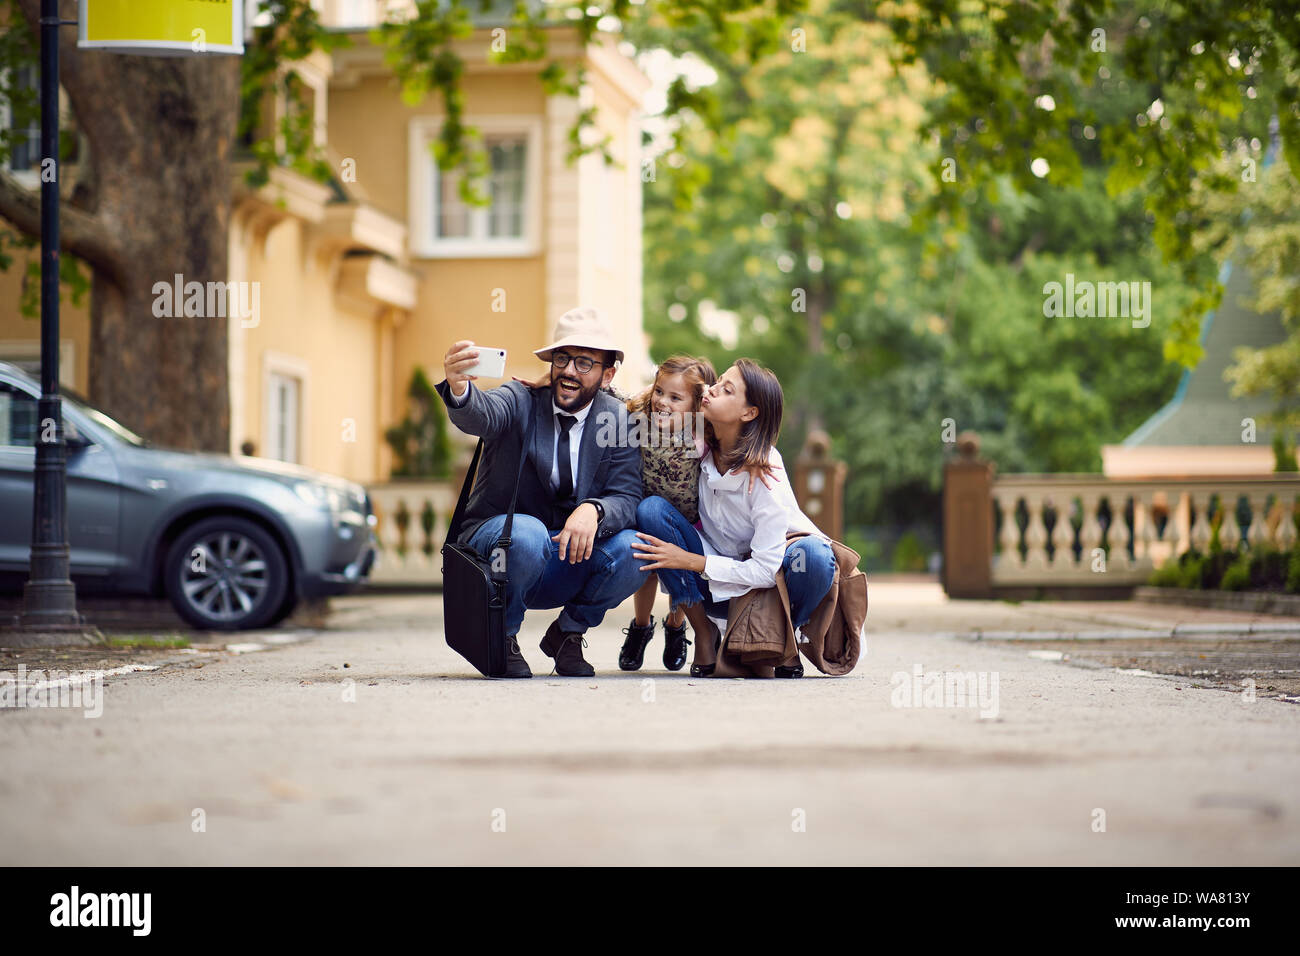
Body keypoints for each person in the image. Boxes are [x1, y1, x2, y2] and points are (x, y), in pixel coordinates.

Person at [435, 307, 644, 678]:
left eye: (584, 363)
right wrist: (460, 388)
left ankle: (568, 634)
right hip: (505, 549)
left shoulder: (619, 419)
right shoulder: (521, 399)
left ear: (607, 374)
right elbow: (482, 413)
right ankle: (503, 634)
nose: (568, 371)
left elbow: (627, 496)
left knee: (636, 549)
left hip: (568, 558)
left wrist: (593, 510)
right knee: (528, 534)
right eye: (561, 358)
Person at [631, 359, 837, 678]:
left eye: (726, 389)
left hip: (770, 588)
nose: (712, 390)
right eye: (717, 383)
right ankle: (704, 632)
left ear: (749, 412)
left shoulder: (766, 468)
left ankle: (783, 638)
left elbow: (767, 569)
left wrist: (691, 561)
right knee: (651, 511)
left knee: (815, 556)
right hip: (715, 592)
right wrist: (549, 384)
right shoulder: (698, 441)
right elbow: (662, 392)